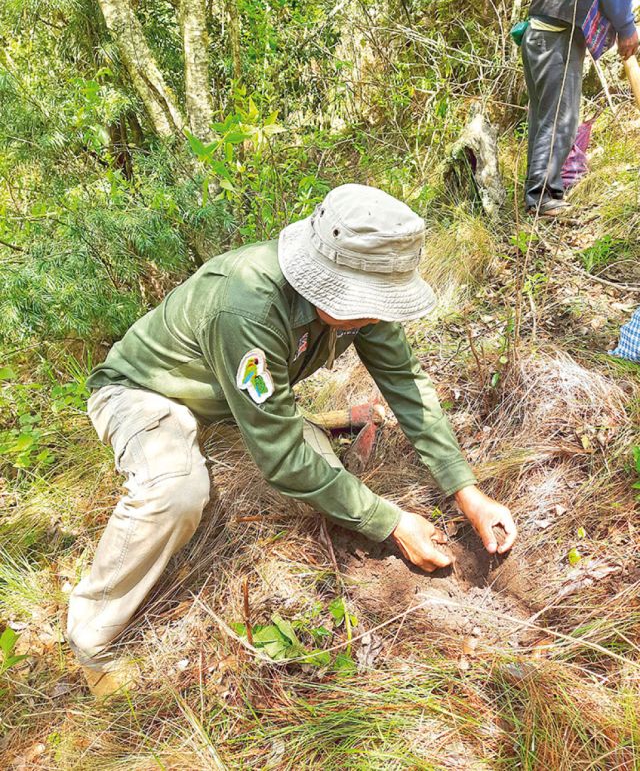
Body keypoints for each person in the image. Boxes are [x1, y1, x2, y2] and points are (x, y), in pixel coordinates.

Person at [67, 184, 517, 695]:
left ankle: (311, 428)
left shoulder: (364, 297)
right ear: (325, 278)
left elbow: (408, 387)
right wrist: (391, 522)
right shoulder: (248, 306)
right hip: (146, 394)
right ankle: (91, 638)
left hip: (230, 403)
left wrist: (468, 492)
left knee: (323, 474)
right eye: (367, 303)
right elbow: (281, 458)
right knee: (175, 490)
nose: (375, 315)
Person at [522, 0, 638, 217]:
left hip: (537, 30)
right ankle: (543, 197)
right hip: (559, 33)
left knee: (545, 117)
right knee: (561, 116)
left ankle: (544, 192)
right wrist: (626, 28)